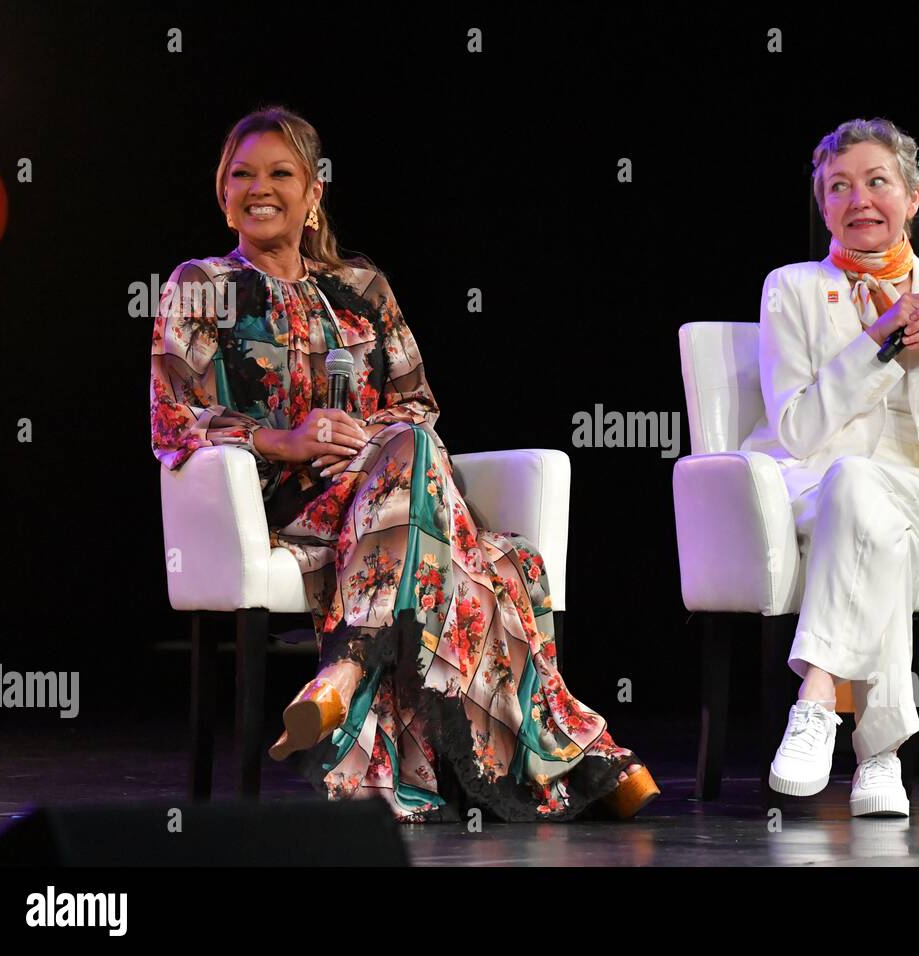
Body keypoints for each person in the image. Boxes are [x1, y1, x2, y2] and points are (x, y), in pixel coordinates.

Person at [150, 105, 659, 822]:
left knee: (435, 472)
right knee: (489, 560)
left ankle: (348, 665)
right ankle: (584, 751)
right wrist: (287, 440)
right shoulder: (198, 284)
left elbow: (418, 404)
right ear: (220, 188)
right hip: (285, 512)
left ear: (314, 191)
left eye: (280, 173)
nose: (258, 187)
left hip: (383, 500)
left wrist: (361, 437)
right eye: (241, 174)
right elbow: (173, 416)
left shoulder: (362, 288)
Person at [740, 118, 919, 817]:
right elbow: (796, 431)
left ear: (912, 198)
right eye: (839, 187)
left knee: (870, 501)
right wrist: (877, 341)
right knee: (858, 498)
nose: (860, 199)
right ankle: (879, 758)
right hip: (810, 488)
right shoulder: (790, 287)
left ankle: (818, 695)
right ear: (823, 205)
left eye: (878, 181)